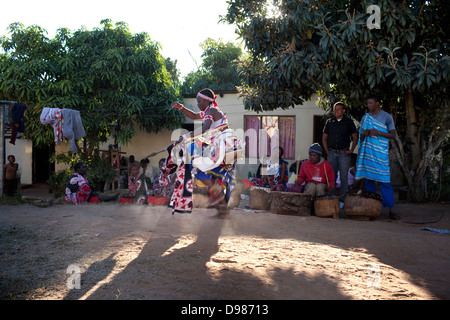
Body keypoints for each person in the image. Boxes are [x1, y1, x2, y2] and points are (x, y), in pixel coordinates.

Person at [168, 88, 244, 217]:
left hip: (224, 146)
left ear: (205, 100)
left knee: (197, 166)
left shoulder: (212, 111)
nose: (197, 104)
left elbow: (204, 128)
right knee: (214, 176)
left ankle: (219, 196)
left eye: (198, 101)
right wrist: (181, 108)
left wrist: (185, 137)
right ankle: (223, 210)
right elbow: (193, 116)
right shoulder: (208, 111)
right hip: (224, 146)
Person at [355, 94, 400, 220]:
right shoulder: (365, 118)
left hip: (381, 154)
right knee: (369, 181)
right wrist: (364, 134)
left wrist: (378, 132)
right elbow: (361, 137)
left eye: (371, 103)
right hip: (368, 155)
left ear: (377, 103)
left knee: (385, 181)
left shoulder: (387, 117)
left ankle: (391, 210)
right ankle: (372, 210)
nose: (369, 105)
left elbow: (393, 135)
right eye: (367, 103)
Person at [322, 102, 358, 201]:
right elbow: (324, 138)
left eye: (338, 109)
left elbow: (355, 137)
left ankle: (343, 198)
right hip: (332, 153)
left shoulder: (349, 122)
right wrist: (327, 152)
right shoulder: (330, 122)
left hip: (344, 153)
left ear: (343, 110)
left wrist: (351, 150)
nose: (336, 111)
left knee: (343, 176)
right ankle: (332, 198)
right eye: (335, 109)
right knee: (331, 176)